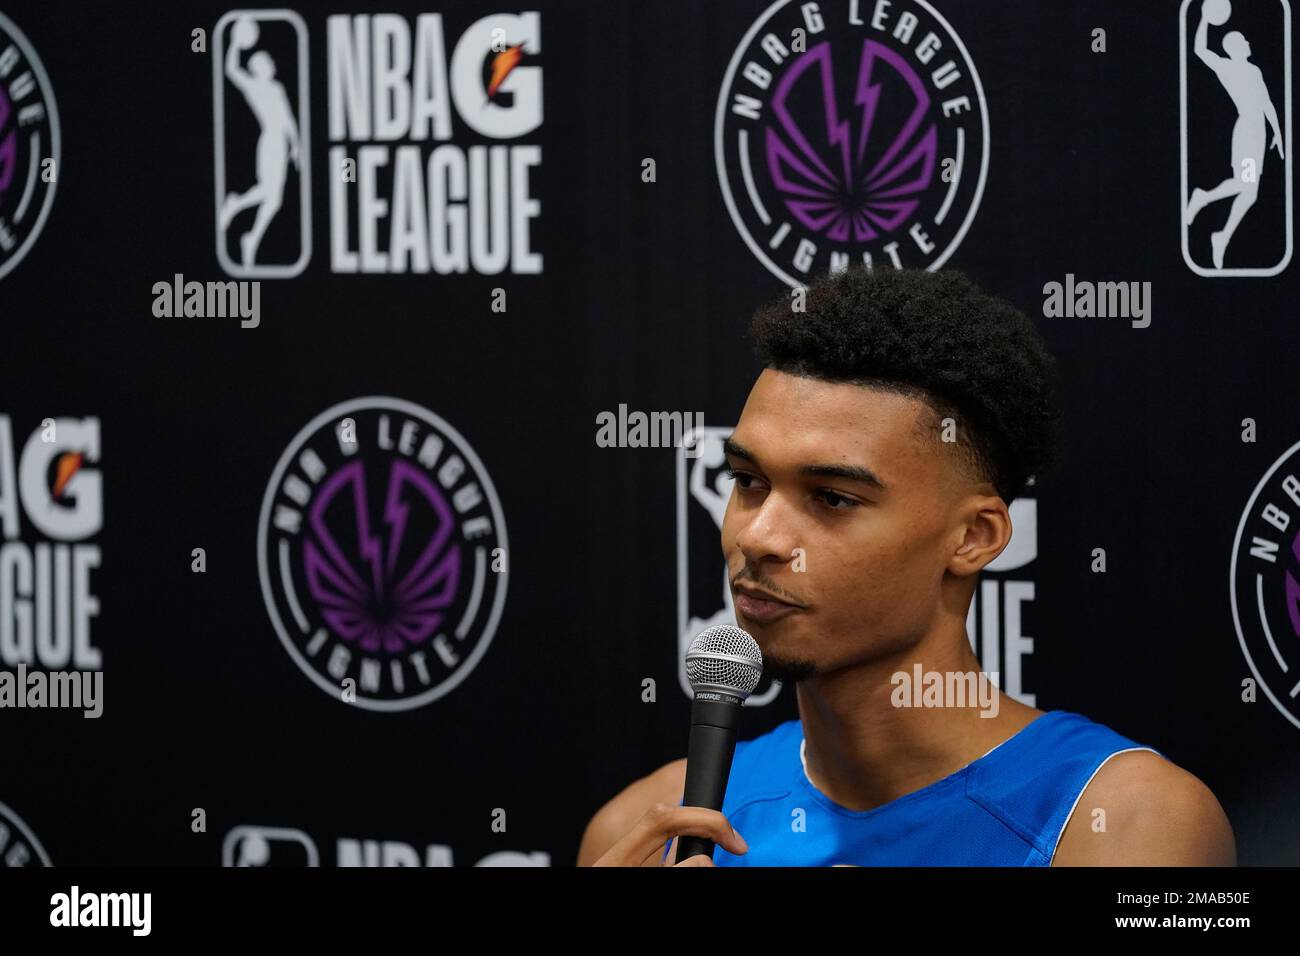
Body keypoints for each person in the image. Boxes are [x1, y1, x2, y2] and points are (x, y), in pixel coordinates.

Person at [577, 266, 1235, 867]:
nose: (759, 535)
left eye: (832, 498)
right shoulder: (646, 830)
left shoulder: (1123, 823)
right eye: (748, 481)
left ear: (975, 536)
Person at [1185, 5, 1284, 268]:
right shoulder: (1227, 68)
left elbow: (1267, 104)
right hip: (1247, 133)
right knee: (1245, 186)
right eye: (1243, 40)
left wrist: (1278, 134)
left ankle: (1221, 236)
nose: (1249, 41)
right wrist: (1205, 20)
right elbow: (1200, 51)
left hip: (1258, 134)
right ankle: (1203, 199)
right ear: (1235, 47)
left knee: (1250, 194)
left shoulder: (1255, 71)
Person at [219, 21, 301, 269]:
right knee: (268, 192)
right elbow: (231, 70)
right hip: (269, 143)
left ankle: (251, 239)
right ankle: (235, 204)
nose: (273, 65)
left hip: (282, 143)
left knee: (274, 201)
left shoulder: (277, 88)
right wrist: (234, 42)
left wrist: (297, 146)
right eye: (268, 62)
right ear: (259, 68)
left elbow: (287, 118)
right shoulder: (254, 87)